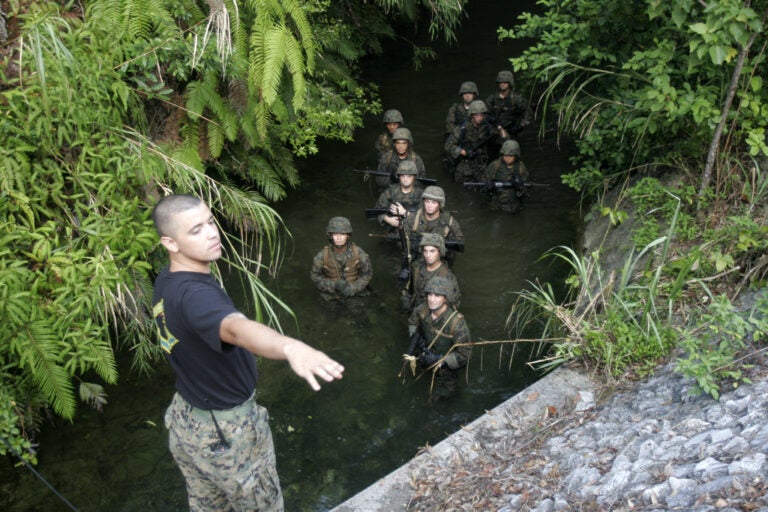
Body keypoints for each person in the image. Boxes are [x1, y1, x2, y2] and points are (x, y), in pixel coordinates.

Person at [151, 194, 344, 512]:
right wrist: (288, 345)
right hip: (228, 435)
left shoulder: (166, 280)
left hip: (186, 420)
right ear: (171, 243)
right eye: (196, 230)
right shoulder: (196, 297)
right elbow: (235, 328)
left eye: (210, 222)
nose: (213, 233)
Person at [405, 276, 472, 400]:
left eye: (437, 295)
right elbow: (412, 321)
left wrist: (441, 360)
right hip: (425, 356)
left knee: (443, 399)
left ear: (445, 298)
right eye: (430, 294)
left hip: (446, 369)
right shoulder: (423, 310)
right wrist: (415, 336)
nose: (431, 299)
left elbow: (465, 354)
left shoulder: (456, 324)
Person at [444, 100, 508, 184]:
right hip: (464, 167)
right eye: (477, 115)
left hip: (481, 167)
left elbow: (502, 142)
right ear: (472, 115)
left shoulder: (487, 128)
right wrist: (462, 152)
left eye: (482, 115)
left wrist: (501, 130)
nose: (480, 118)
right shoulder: (462, 129)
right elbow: (448, 146)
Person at [310, 216, 373, 300]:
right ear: (331, 236)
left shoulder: (359, 253)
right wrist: (333, 285)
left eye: (342, 234)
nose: (339, 238)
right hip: (331, 294)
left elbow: (367, 274)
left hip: (355, 292)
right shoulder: (322, 256)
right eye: (335, 234)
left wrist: (353, 288)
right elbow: (315, 277)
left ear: (348, 236)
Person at [402, 186, 464, 264]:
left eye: (433, 202)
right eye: (427, 201)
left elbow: (459, 244)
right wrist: (412, 246)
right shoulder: (413, 219)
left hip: (440, 261)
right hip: (416, 258)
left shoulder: (449, 222)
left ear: (440, 204)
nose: (429, 205)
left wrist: (441, 246)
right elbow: (402, 239)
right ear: (423, 202)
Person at [402, 233, 461, 312]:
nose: (428, 255)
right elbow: (411, 288)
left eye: (432, 251)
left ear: (440, 252)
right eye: (425, 251)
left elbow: (454, 303)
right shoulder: (417, 266)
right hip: (414, 308)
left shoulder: (446, 276)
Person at [374, 160, 424, 233]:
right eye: (402, 176)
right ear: (398, 176)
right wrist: (389, 220)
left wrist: (405, 213)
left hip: (415, 232)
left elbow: (425, 219)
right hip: (393, 231)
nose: (405, 179)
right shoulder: (390, 192)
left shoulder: (421, 195)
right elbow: (377, 209)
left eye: (409, 176)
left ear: (414, 177)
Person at [482, 139, 531, 213]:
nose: (507, 158)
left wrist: (520, 188)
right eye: (505, 155)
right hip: (495, 205)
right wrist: (488, 186)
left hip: (513, 207)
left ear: (516, 155)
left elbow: (527, 190)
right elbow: (483, 181)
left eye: (510, 156)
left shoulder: (521, 168)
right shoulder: (495, 165)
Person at [485, 70, 533, 139]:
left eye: (505, 82)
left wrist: (522, 125)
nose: (502, 84)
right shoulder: (492, 99)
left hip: (513, 131)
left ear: (510, 83)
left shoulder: (516, 99)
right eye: (501, 82)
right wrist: (496, 127)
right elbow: (486, 114)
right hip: (495, 131)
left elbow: (527, 112)